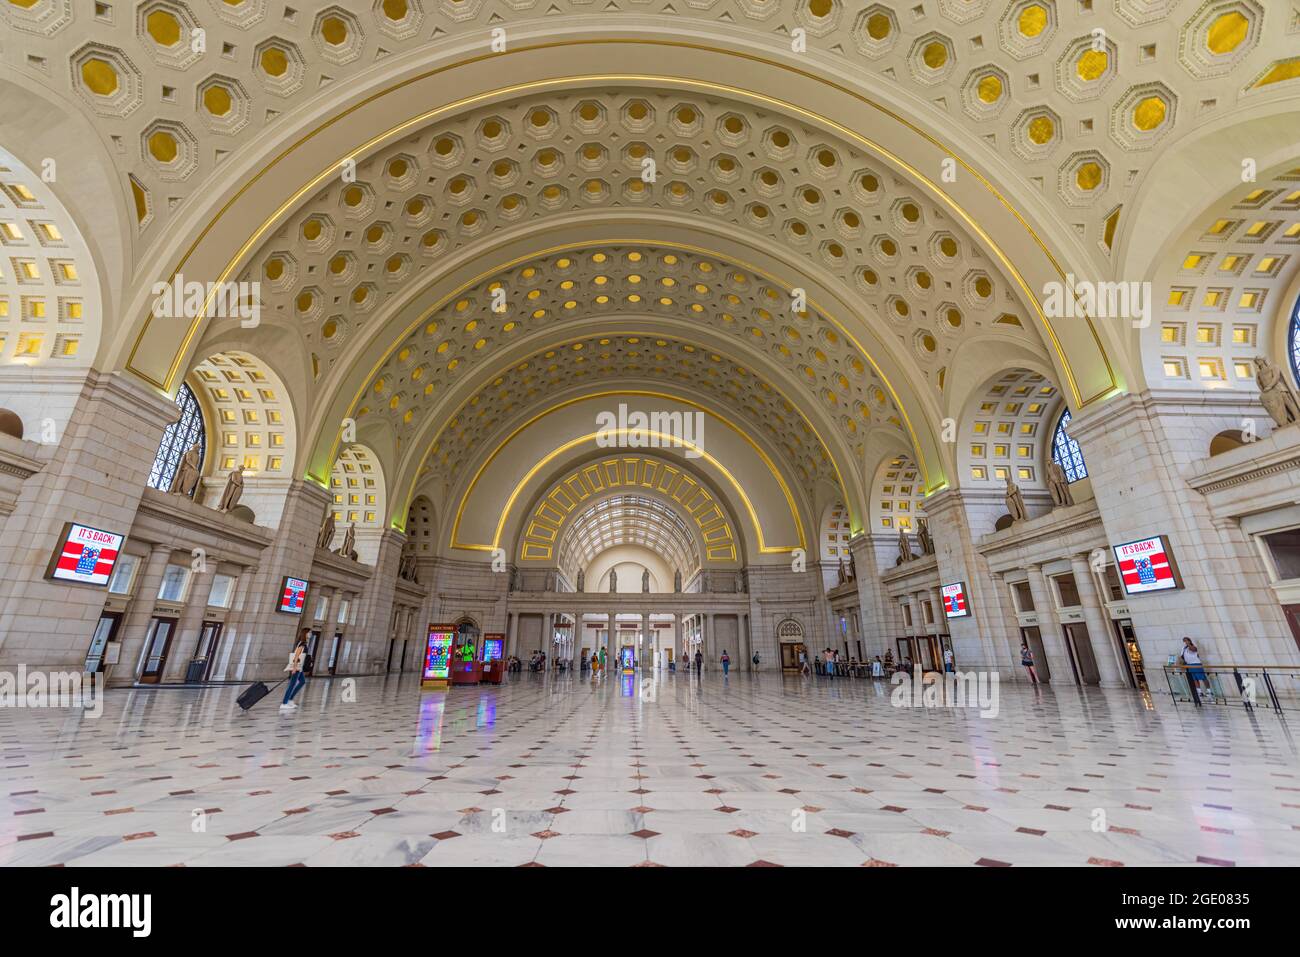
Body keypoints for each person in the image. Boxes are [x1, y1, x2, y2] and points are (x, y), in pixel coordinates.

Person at [1180, 637, 1212, 703]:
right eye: (1184, 641)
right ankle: (1199, 691)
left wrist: (1189, 644)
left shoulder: (1192, 646)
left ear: (1189, 641)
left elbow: (1193, 650)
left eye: (1186, 641)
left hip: (1196, 664)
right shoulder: (1183, 648)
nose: (1185, 642)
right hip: (1189, 665)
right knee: (1195, 679)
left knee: (1203, 677)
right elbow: (1182, 656)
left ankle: (1209, 691)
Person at [280, 636, 308, 711]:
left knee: (302, 681)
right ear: (305, 634)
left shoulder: (303, 643)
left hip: (299, 667)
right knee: (292, 684)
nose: (310, 634)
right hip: (297, 667)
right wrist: (295, 667)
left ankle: (290, 699)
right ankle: (284, 703)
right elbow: (296, 656)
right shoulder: (302, 644)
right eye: (309, 632)